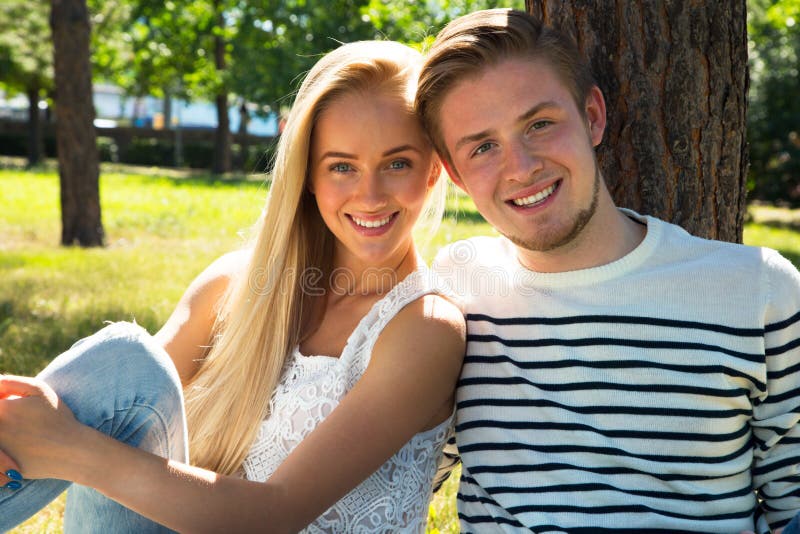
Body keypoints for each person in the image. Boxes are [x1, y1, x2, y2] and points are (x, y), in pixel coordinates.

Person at [0, 40, 465, 533]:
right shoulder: (235, 286)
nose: (368, 195)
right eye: (342, 167)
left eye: (397, 163)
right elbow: (120, 403)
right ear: (308, 175)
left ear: (433, 170)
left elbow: (276, 514)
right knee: (125, 357)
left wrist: (71, 449)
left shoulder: (424, 329)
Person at [416, 8, 800, 533]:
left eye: (540, 124)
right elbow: (397, 480)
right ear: (456, 175)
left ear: (592, 117)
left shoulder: (758, 292)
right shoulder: (454, 293)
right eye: (483, 147)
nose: (522, 166)